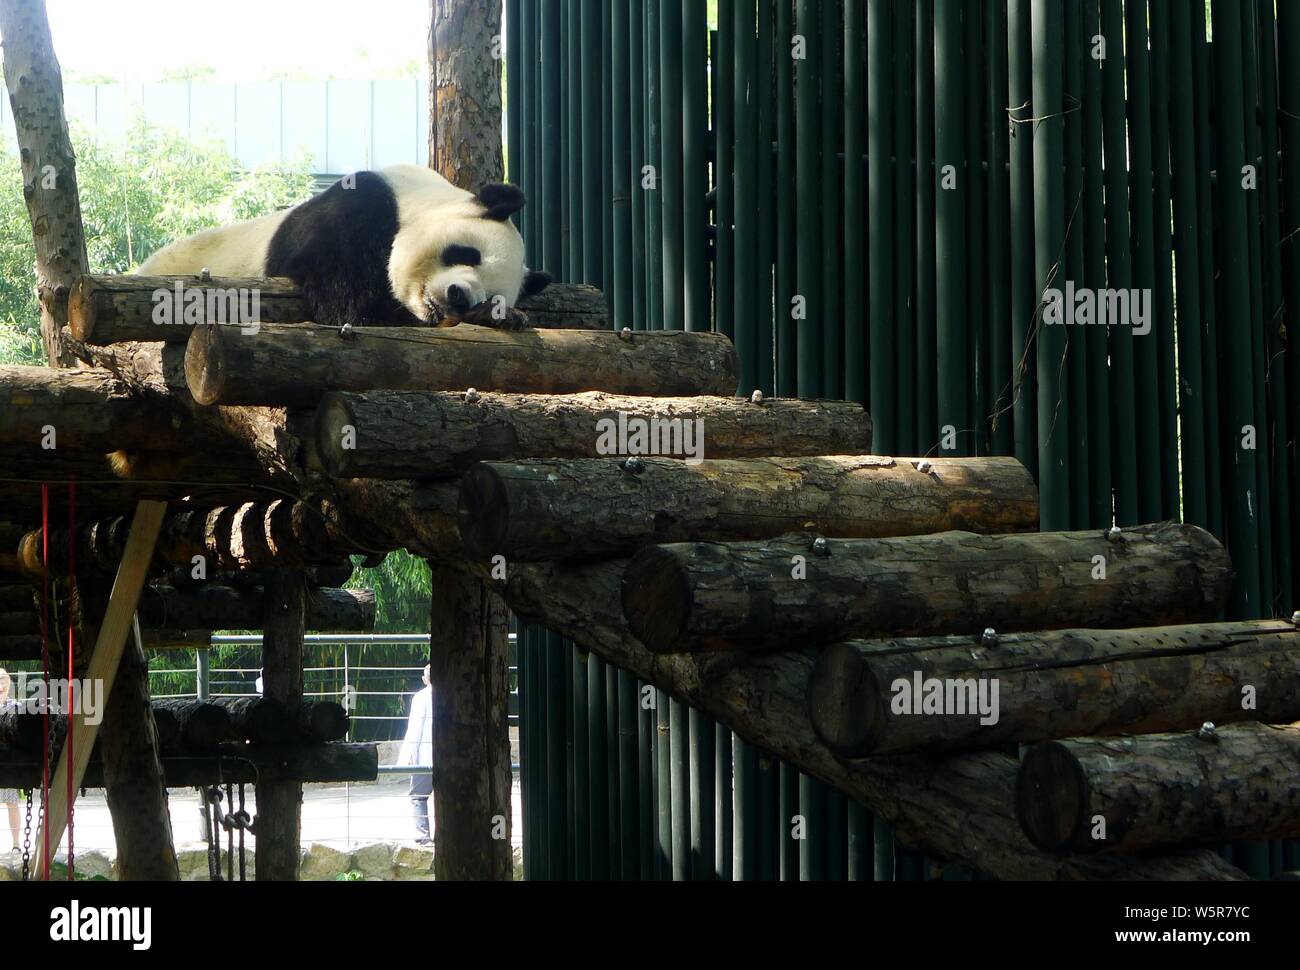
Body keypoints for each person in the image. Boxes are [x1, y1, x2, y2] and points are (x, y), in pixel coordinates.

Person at [397, 664, 433, 844]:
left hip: (425, 756)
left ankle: (423, 835)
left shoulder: (420, 698)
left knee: (418, 796)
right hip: (448, 756)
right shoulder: (453, 695)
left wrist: (410, 753)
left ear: (425, 679)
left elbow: (415, 728)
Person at [0, 670, 22, 853]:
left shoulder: (17, 707)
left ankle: (16, 844)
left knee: (12, 803)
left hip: (7, 762)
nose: (1, 685)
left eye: (4, 680)